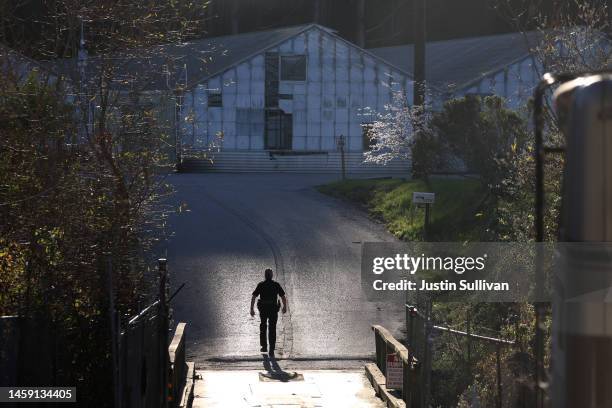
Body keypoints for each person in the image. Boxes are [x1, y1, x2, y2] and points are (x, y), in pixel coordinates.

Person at [250, 268, 287, 355]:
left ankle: (264, 346)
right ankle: (271, 348)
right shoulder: (276, 285)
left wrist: (251, 308)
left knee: (263, 326)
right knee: (272, 328)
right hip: (273, 309)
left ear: (265, 275)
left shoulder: (261, 285)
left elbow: (254, 297)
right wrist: (284, 306)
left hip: (263, 309)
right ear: (272, 275)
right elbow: (283, 297)